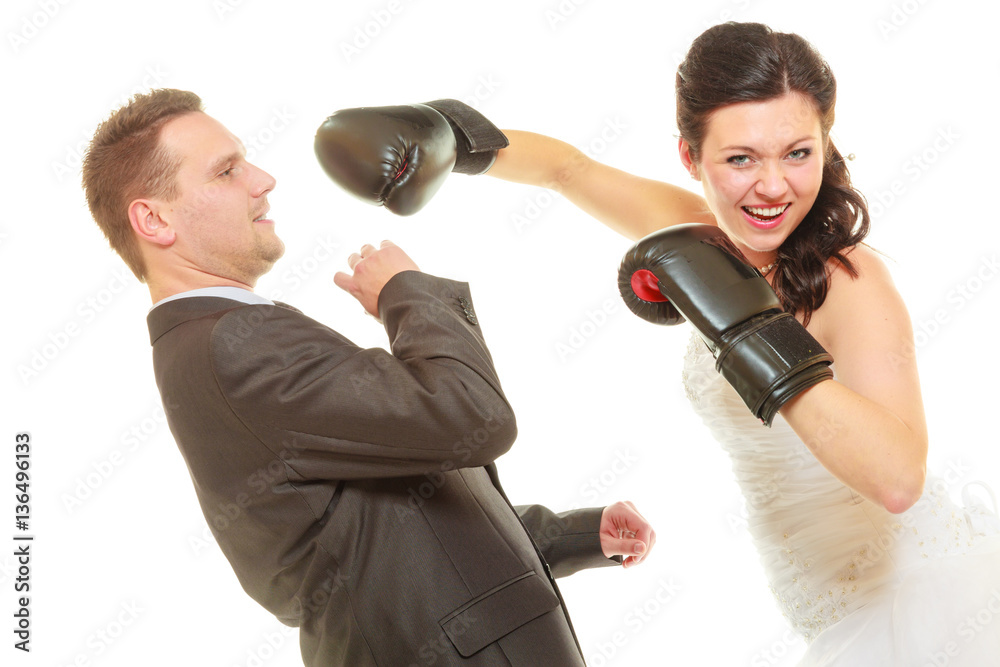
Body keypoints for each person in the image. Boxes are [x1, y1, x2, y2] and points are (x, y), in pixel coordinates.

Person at [314, 21, 1000, 667]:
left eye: (798, 153)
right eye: (740, 158)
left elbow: (899, 478)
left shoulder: (848, 281)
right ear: (688, 156)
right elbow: (568, 170)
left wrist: (752, 331)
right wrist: (449, 135)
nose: (772, 185)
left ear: (826, 143)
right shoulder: (700, 231)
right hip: (818, 602)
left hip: (910, 604)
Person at [80, 88, 657, 667]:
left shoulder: (207, 346)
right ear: (153, 219)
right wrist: (407, 293)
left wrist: (578, 535)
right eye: (226, 170)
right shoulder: (236, 342)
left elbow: (385, 539)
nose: (262, 179)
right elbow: (474, 417)